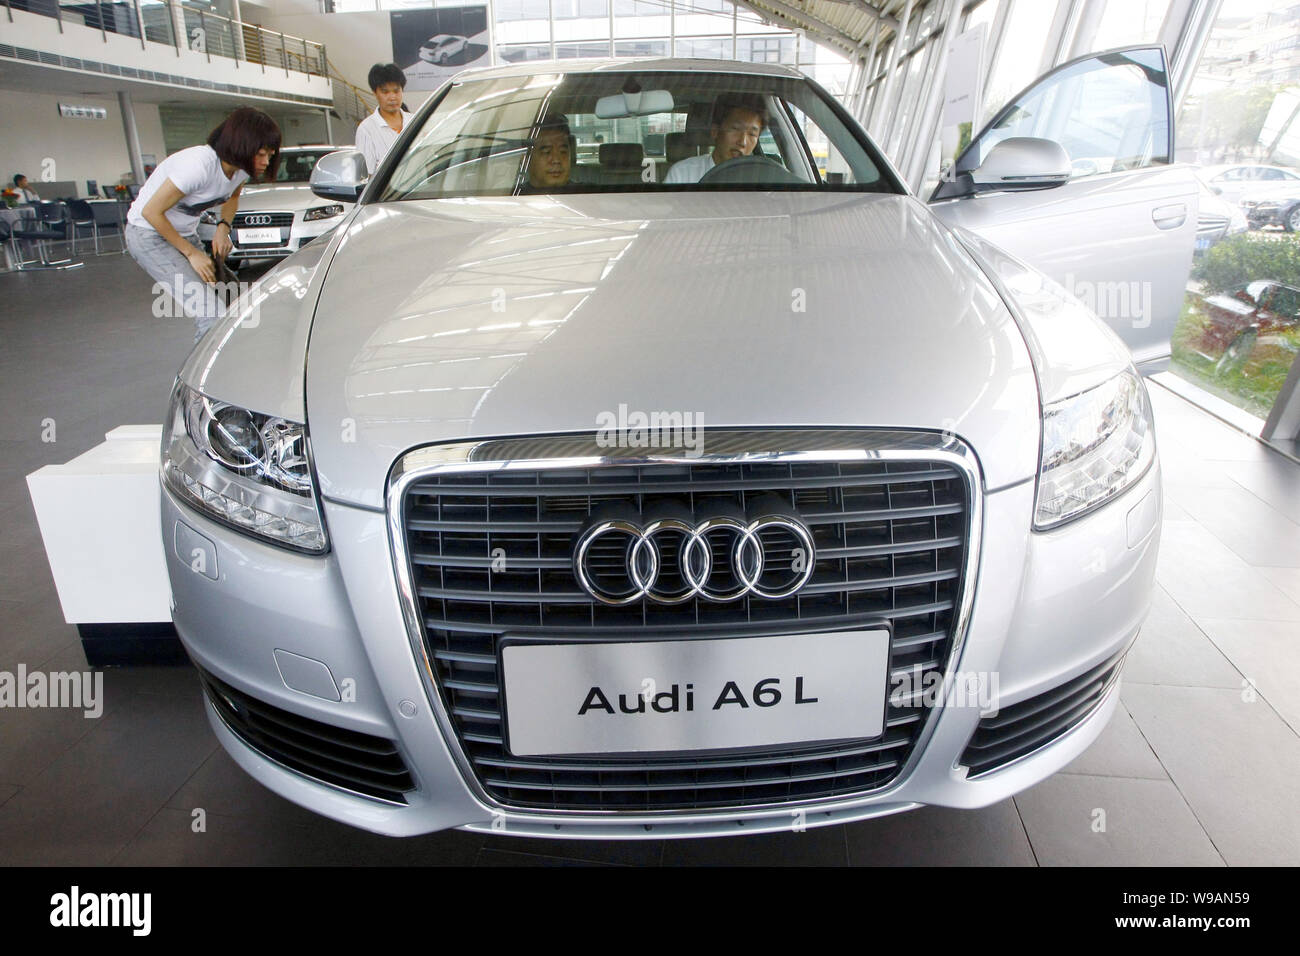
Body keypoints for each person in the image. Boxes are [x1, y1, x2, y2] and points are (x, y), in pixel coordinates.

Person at [125, 107, 280, 343]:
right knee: (212, 315)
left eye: (270, 154)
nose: (265, 162)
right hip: (149, 236)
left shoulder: (239, 171)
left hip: (184, 235)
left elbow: (233, 198)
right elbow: (151, 212)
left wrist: (223, 228)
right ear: (241, 146)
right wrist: (191, 253)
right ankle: (203, 379)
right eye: (260, 154)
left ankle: (235, 362)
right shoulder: (197, 165)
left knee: (235, 303)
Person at [664, 97, 767, 184]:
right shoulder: (683, 173)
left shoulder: (763, 179)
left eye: (752, 134)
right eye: (735, 129)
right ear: (715, 131)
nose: (742, 142)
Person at [356, 63, 412, 174]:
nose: (392, 97)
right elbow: (368, 176)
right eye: (385, 92)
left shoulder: (416, 121)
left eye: (396, 91)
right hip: (388, 191)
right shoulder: (366, 129)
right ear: (375, 93)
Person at [521, 115, 573, 192]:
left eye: (563, 152)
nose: (556, 160)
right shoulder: (511, 197)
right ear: (526, 159)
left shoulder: (590, 194)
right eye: (547, 152)